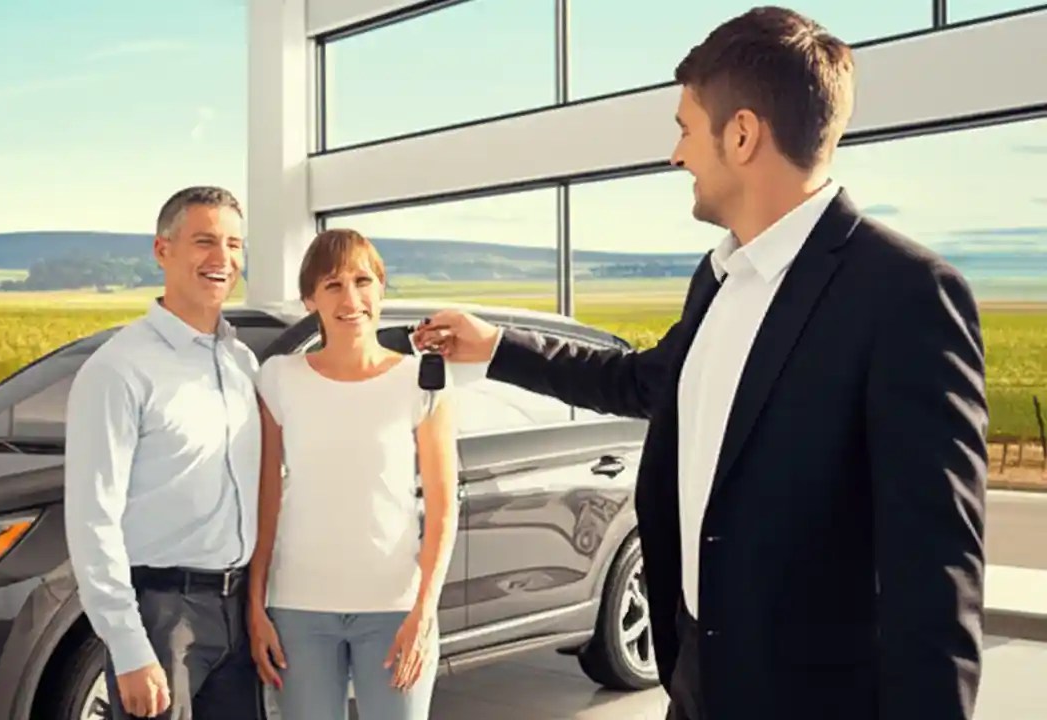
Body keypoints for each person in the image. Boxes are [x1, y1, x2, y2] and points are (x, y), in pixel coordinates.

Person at [412, 7, 987, 720]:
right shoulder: (718, 279)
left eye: (685, 129)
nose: (676, 155)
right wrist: (497, 345)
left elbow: (935, 575)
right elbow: (639, 382)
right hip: (697, 684)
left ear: (741, 134)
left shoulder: (906, 294)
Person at [64, 186, 262, 719]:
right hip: (161, 615)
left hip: (239, 610)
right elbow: (91, 518)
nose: (223, 258)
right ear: (162, 250)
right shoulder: (118, 369)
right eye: (204, 241)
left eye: (234, 244)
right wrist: (128, 645)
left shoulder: (242, 363)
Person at [247, 229, 459, 720]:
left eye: (363, 281)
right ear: (310, 300)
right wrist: (255, 606)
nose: (351, 299)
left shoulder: (421, 382)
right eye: (333, 285)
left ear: (381, 289)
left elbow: (444, 508)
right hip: (298, 609)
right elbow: (265, 501)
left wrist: (424, 610)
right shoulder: (278, 378)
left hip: (395, 609)